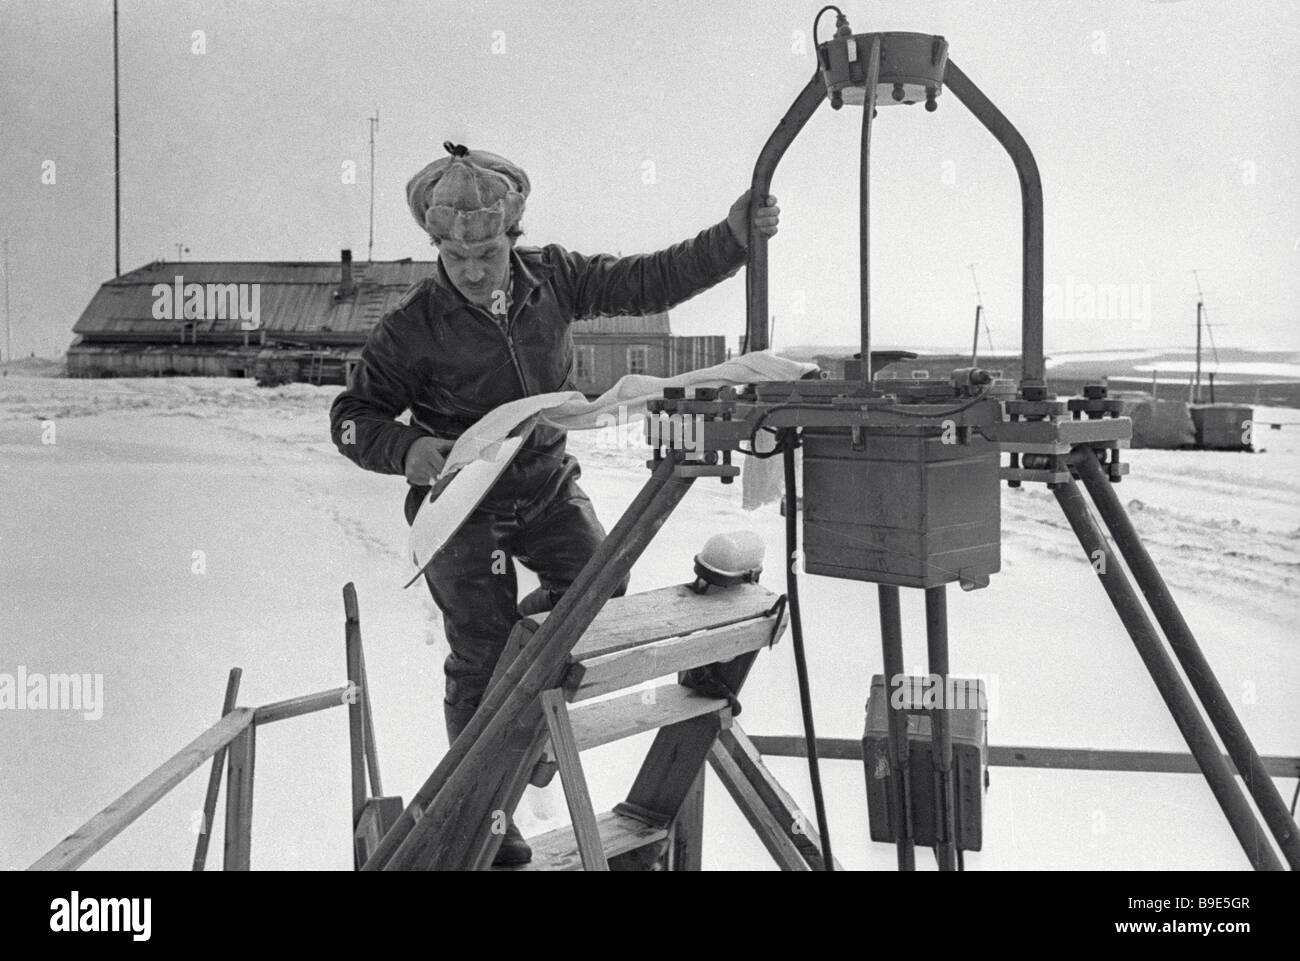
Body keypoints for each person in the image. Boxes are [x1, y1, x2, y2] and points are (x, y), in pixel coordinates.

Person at [329, 141, 779, 864]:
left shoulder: (556, 279)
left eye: (488, 254)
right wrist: (408, 450)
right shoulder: (411, 327)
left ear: (514, 237)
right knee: (480, 655)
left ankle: (530, 722)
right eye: (456, 257)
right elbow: (352, 416)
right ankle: (485, 825)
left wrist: (730, 240)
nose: (473, 271)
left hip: (543, 488)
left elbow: (648, 281)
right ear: (437, 247)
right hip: (463, 509)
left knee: (595, 587)